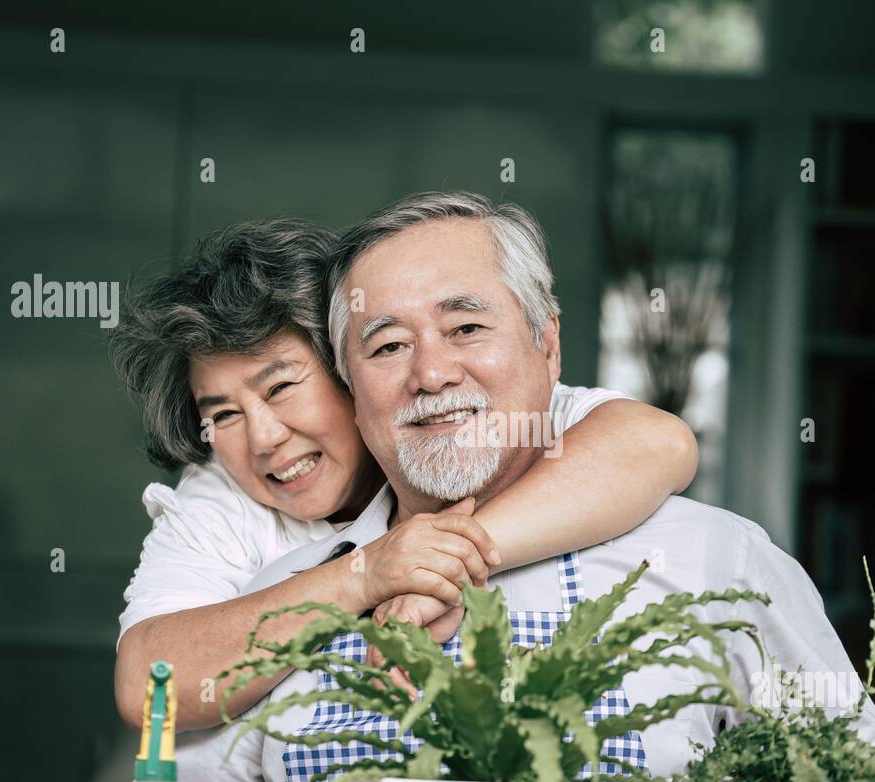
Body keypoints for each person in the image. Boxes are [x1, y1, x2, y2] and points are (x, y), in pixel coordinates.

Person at [106, 192, 875, 782]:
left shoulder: (715, 560)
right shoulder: (276, 604)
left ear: (547, 347)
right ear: (352, 388)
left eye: (467, 328)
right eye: (386, 346)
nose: (432, 372)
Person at [107, 218, 699, 731]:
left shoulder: (480, 415)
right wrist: (367, 576)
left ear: (349, 375)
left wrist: (435, 565)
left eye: (282, 387)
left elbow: (658, 443)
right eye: (225, 413)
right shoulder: (223, 488)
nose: (263, 439)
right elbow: (148, 690)